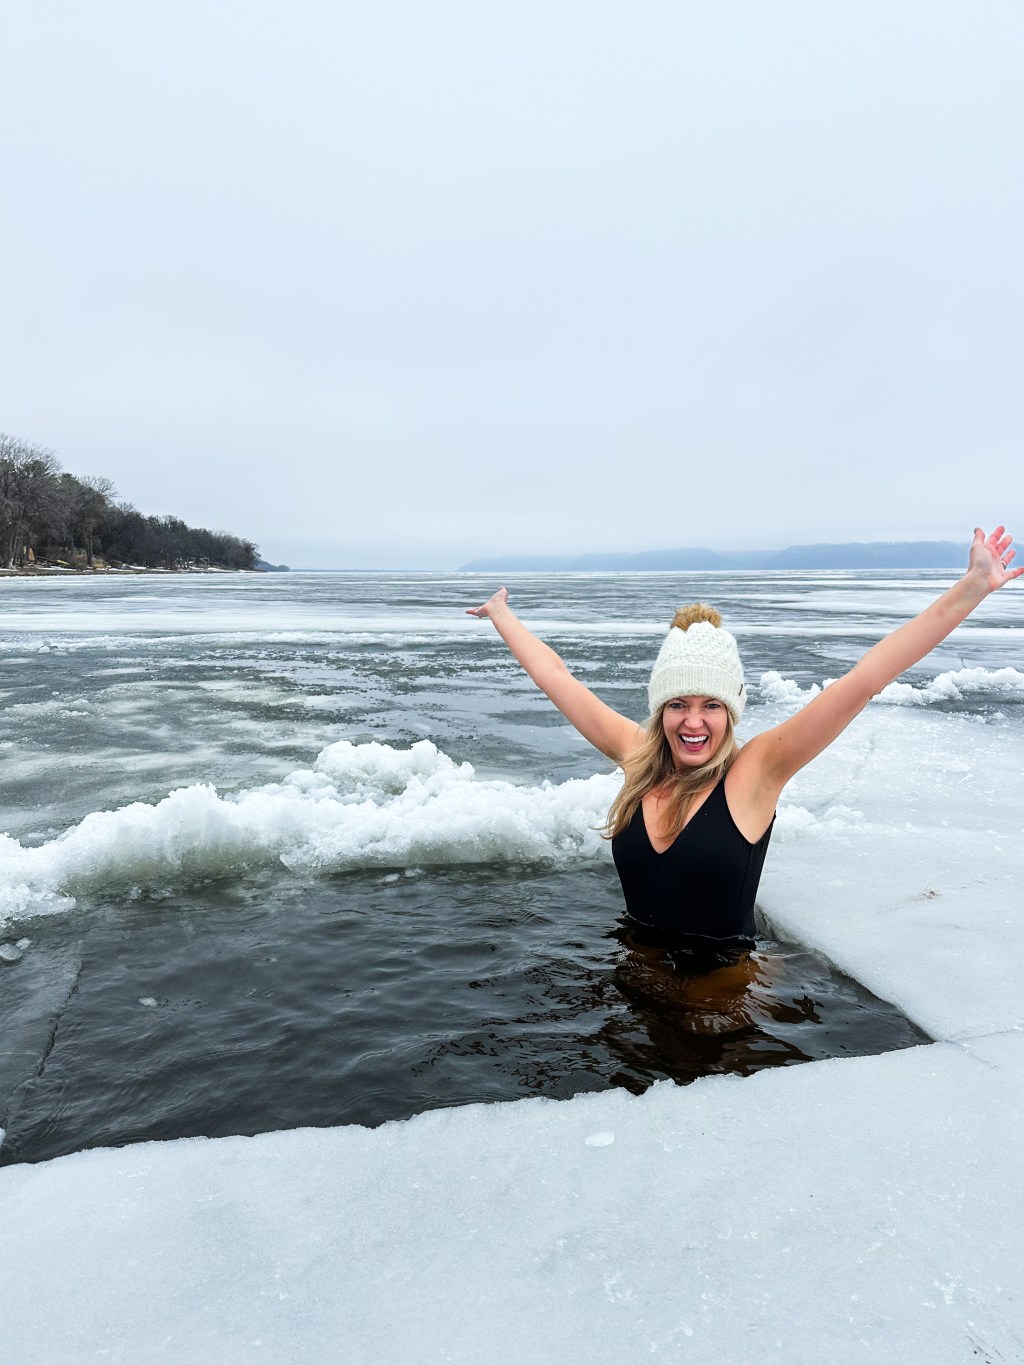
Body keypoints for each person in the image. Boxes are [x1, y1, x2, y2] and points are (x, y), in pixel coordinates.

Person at [468, 526, 1021, 957]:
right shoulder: (639, 758)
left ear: (731, 712)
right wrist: (502, 615)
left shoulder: (755, 773)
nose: (694, 722)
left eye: (712, 705)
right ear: (661, 710)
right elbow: (558, 678)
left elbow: (866, 678)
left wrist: (972, 588)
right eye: (679, 705)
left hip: (723, 992)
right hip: (634, 967)